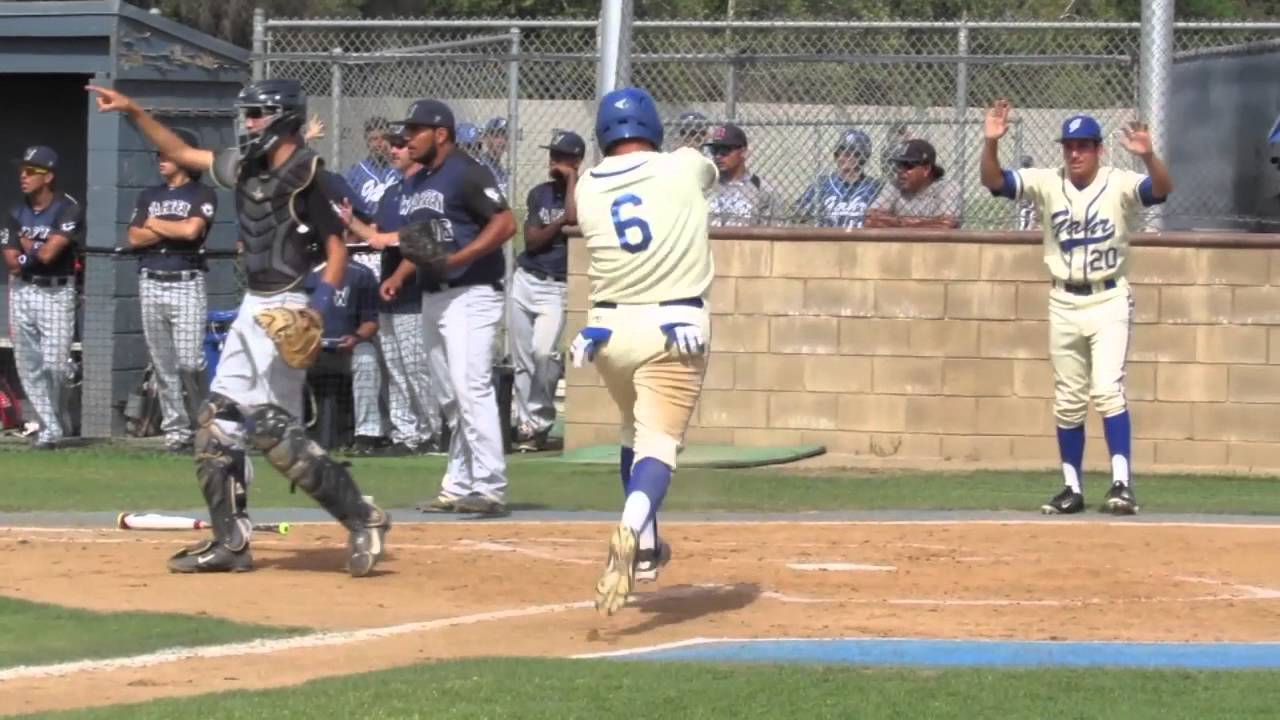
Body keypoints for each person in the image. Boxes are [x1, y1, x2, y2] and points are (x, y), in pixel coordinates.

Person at [87, 80, 391, 576]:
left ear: (284, 118)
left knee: (274, 432)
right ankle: (231, 542)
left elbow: (337, 253)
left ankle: (364, 519)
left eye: (257, 114)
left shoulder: (312, 176)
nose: (248, 123)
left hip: (291, 301)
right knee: (216, 422)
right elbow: (181, 150)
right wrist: (133, 111)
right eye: (247, 114)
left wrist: (316, 310)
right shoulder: (245, 167)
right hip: (254, 303)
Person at [980, 99, 1173, 516]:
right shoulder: (1048, 181)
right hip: (1063, 298)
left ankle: (1121, 484)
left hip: (1109, 297)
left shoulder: (1118, 181)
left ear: (1099, 149)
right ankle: (1071, 488)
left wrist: (1150, 156)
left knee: (1106, 389)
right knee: (1068, 399)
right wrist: (991, 143)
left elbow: (1160, 190)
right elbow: (994, 183)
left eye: (1084, 145)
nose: (1075, 153)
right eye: (1069, 145)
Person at [571, 87, 717, 615]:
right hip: (674, 326)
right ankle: (632, 528)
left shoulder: (586, 186)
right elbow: (706, 170)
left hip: (606, 333)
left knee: (632, 431)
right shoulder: (683, 166)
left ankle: (649, 547)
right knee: (659, 443)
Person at [369, 99, 516, 516]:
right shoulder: (418, 183)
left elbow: (505, 223)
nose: (407, 138)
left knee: (471, 387)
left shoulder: (467, 172)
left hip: (471, 292)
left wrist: (462, 257)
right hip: (434, 295)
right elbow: (423, 243)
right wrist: (398, 277)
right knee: (450, 396)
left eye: (416, 131)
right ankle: (459, 484)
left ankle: (489, 486)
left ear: (440, 134)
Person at [343, 124, 446, 456]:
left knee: (417, 368)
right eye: (392, 145)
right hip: (389, 291)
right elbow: (377, 237)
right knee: (396, 369)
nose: (394, 150)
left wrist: (399, 277)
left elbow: (422, 244)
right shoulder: (392, 193)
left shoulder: (427, 192)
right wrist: (349, 221)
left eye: (401, 145)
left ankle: (432, 433)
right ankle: (406, 434)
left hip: (415, 293)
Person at [126, 128, 217, 453]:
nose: (160, 159)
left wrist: (155, 225)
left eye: (166, 154)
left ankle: (205, 425)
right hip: (150, 279)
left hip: (186, 281)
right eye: (158, 154)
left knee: (190, 362)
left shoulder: (201, 194)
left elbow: (192, 231)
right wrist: (167, 230)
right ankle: (177, 432)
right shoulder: (148, 195)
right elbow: (134, 238)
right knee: (163, 364)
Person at [1, 146, 82, 449]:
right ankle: (51, 428)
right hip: (23, 290)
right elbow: (11, 260)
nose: (23, 176)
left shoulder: (67, 207)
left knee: (56, 366)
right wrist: (33, 250)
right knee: (29, 365)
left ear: (47, 176)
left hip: (57, 290)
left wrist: (28, 246)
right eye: (22, 170)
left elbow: (49, 255)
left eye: (31, 171)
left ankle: (69, 378)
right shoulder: (14, 211)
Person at [511, 130, 583, 452]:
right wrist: (558, 228)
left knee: (544, 354)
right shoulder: (539, 193)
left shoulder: (586, 192)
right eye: (552, 154)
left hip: (558, 287)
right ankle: (526, 426)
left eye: (562, 156)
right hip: (526, 279)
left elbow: (575, 216)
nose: (554, 161)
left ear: (576, 161)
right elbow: (533, 241)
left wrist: (572, 182)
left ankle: (539, 419)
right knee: (522, 358)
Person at [305, 257, 383, 454]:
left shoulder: (361, 274)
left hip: (348, 348)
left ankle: (366, 436)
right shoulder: (306, 274)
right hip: (311, 350)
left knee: (367, 359)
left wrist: (356, 337)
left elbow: (371, 322)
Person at [795, 129, 882, 229]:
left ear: (863, 157)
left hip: (861, 241)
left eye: (851, 153)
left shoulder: (874, 187)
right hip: (827, 241)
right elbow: (797, 213)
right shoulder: (823, 184)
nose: (844, 158)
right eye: (840, 153)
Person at [865, 139, 962, 228]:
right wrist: (917, 224)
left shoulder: (947, 187)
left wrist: (898, 222)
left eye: (908, 165)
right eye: (899, 165)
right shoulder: (894, 185)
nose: (900, 170)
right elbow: (871, 219)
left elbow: (946, 225)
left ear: (926, 169)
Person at [704, 123, 777, 227]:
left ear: (743, 152)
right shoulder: (707, 186)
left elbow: (773, 230)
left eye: (725, 150)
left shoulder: (761, 188)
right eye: (714, 150)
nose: (718, 156)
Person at [344, 116, 399, 210]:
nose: (379, 143)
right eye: (374, 139)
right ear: (367, 142)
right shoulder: (356, 173)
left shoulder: (400, 168)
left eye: (383, 138)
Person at [478, 116, 509, 197]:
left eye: (505, 136)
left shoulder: (501, 169)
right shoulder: (481, 165)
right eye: (496, 136)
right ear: (485, 138)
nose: (501, 141)